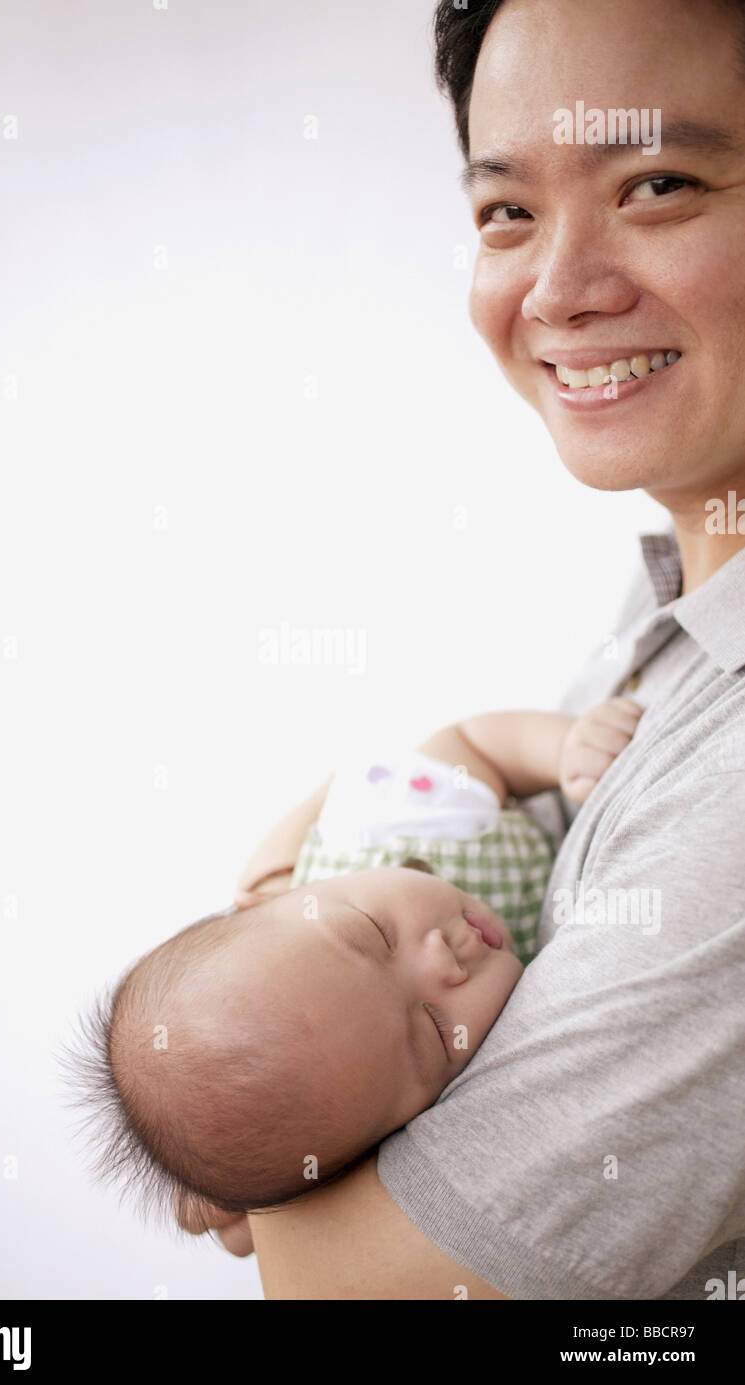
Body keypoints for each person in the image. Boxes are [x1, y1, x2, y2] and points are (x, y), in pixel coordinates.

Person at [232, 0, 745, 1298]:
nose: (558, 290)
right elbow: (421, 781)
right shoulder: (668, 624)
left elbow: (358, 1285)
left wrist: (250, 1121)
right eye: (506, 211)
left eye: (659, 183)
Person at [92, 704, 639, 1258]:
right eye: (430, 1028)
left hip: (312, 874)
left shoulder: (399, 818)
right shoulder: (423, 1104)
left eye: (376, 933)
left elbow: (473, 743)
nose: (442, 961)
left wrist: (565, 748)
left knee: (275, 875)